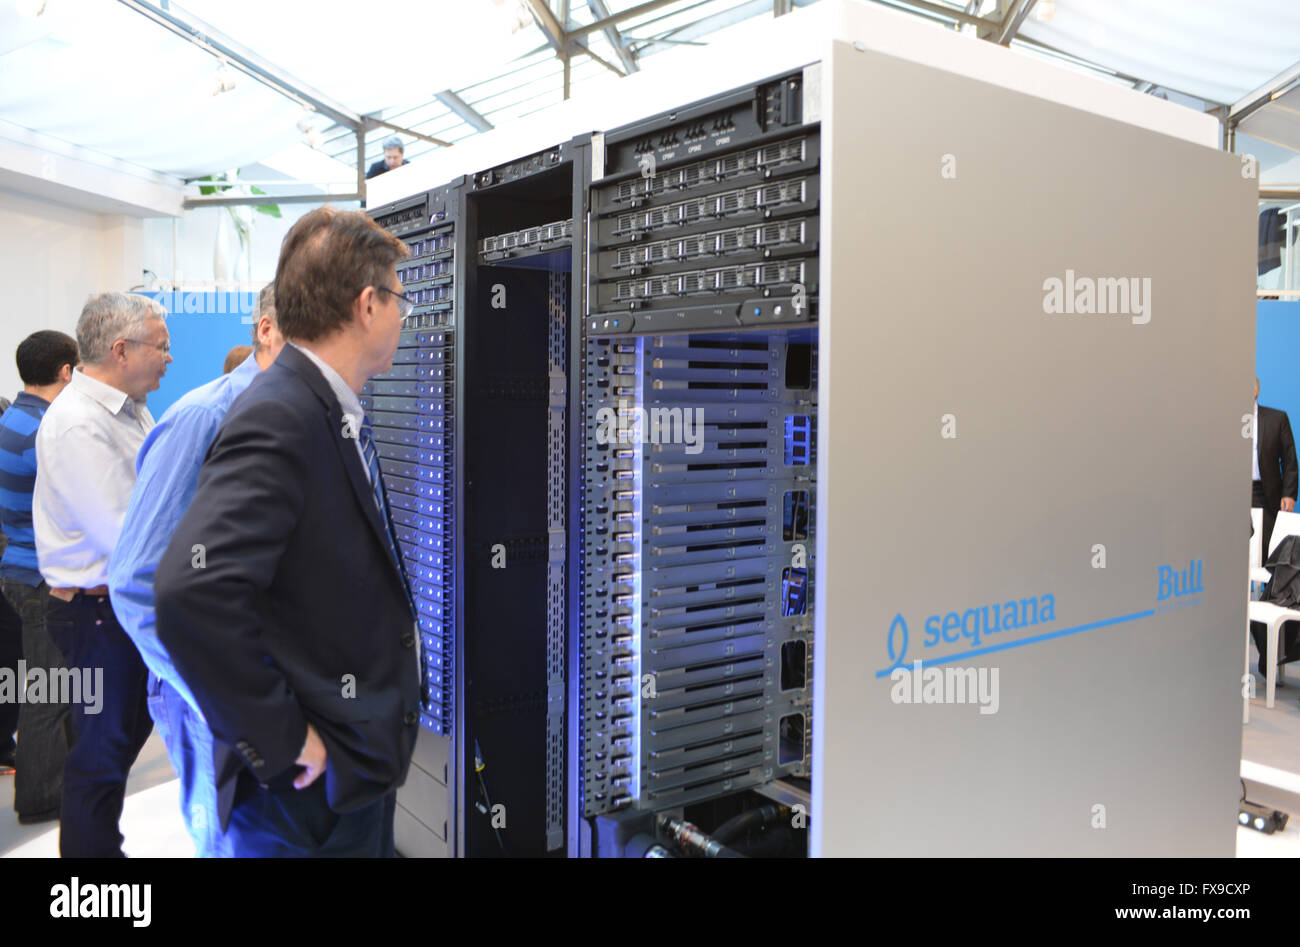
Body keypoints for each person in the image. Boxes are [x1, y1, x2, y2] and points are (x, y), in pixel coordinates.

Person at [155, 207, 420, 857]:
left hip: (340, 778)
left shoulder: (326, 404)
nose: (402, 317)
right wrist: (281, 738)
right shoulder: (283, 414)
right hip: (303, 797)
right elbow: (189, 591)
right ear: (366, 304)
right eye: (399, 300)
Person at [109, 286, 283, 858]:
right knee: (226, 842)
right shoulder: (204, 420)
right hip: (213, 697)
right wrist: (215, 692)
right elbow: (134, 579)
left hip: (272, 690)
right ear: (266, 329)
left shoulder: (299, 417)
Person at [33, 292, 171, 857]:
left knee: (116, 745)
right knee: (99, 756)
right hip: (95, 612)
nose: (168, 357)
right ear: (121, 349)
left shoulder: (132, 409)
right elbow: (125, 539)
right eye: (160, 346)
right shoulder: (76, 426)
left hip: (121, 608)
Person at [0, 330, 78, 821]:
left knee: (51, 688)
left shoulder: (14, 417)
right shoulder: (43, 431)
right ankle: (40, 799)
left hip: (19, 568)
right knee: (49, 695)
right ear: (67, 372)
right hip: (38, 573)